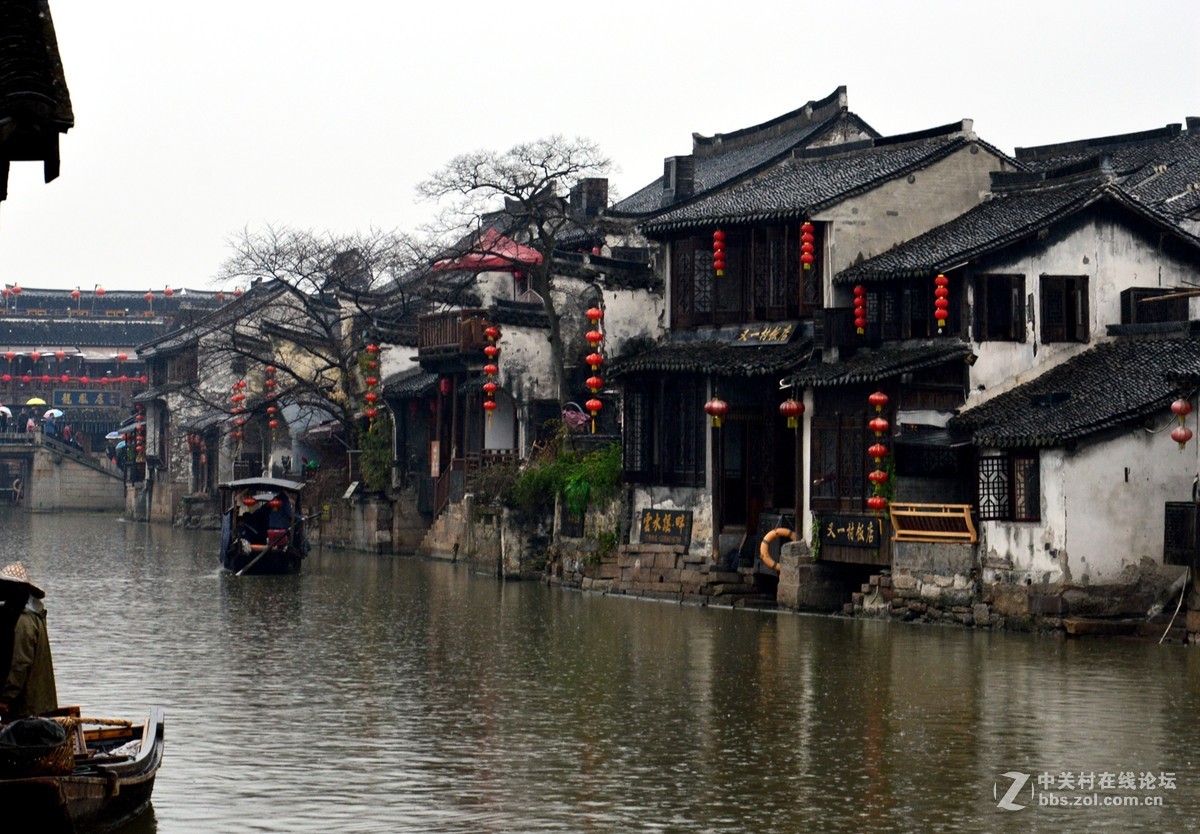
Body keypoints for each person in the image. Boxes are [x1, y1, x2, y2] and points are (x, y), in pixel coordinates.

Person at [0, 562, 57, 720]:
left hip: (28, 708)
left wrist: (5, 698)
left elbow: (19, 663)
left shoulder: (23, 622)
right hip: (37, 705)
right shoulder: (31, 617)